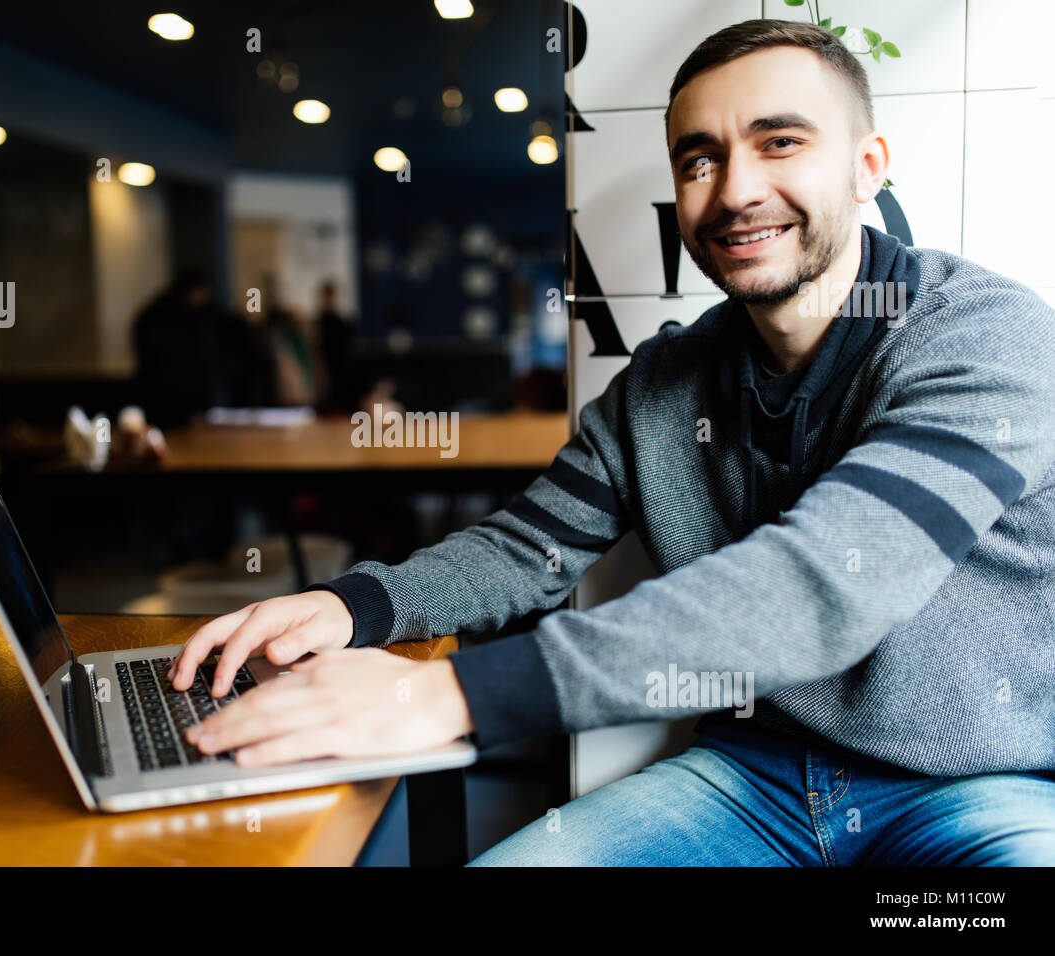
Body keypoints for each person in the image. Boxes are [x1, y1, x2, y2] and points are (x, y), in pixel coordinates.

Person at [164, 19, 1055, 865]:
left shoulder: (986, 336)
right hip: (753, 780)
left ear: (869, 168)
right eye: (700, 158)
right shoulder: (665, 382)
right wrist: (353, 607)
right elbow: (525, 549)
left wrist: (451, 698)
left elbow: (827, 583)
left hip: (983, 789)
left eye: (780, 142)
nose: (737, 188)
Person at [131, 269, 232, 427]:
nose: (204, 298)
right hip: (171, 401)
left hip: (164, 398)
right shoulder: (170, 317)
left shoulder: (155, 313)